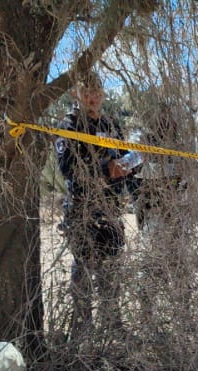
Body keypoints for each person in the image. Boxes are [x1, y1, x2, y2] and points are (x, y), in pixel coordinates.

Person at [55, 78, 131, 331]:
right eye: (87, 92)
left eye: (97, 91)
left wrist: (128, 166)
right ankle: (82, 329)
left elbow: (125, 157)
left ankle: (112, 326)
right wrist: (104, 169)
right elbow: (67, 168)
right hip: (82, 210)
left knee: (111, 270)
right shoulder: (69, 125)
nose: (93, 97)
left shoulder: (111, 125)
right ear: (76, 93)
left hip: (111, 208)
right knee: (84, 271)